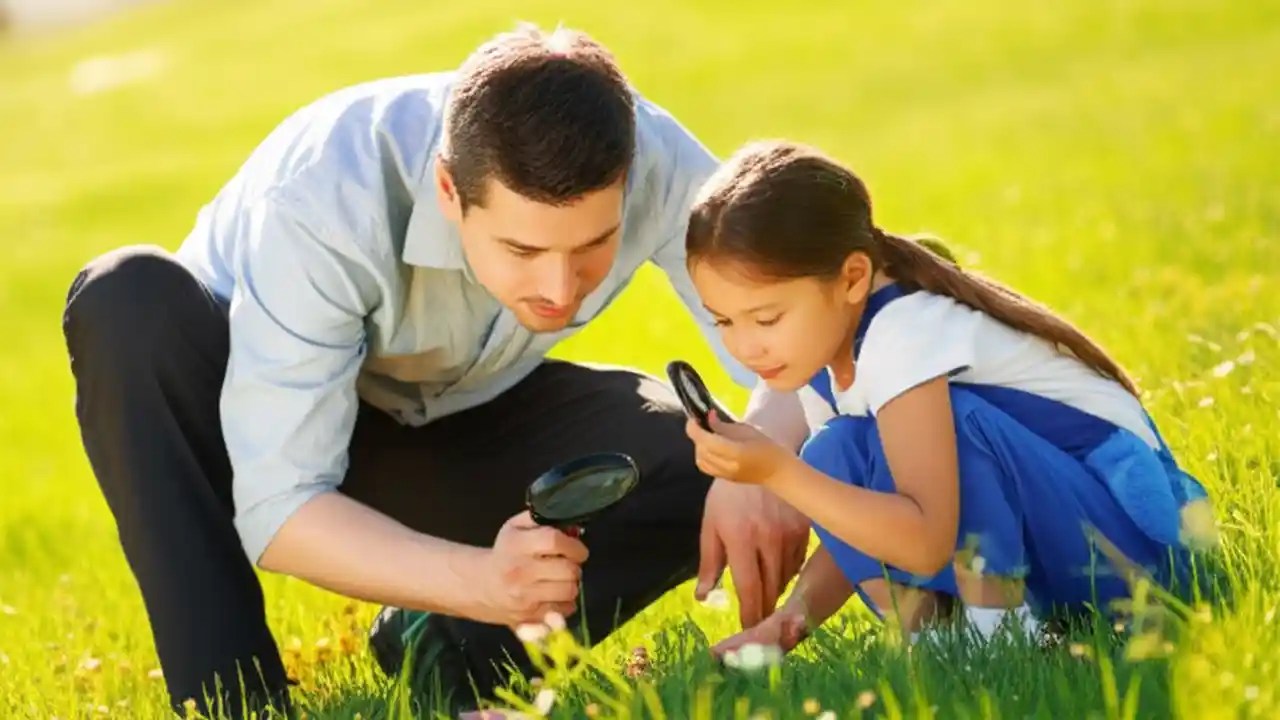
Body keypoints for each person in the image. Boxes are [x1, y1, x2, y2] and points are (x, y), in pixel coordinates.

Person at [59, 26, 814, 717]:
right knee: (127, 299)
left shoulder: (649, 153)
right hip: (253, 431)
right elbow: (280, 507)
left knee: (700, 456)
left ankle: (451, 652)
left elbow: (801, 326)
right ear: (452, 192)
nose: (561, 289)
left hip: (456, 420)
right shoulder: (329, 194)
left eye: (594, 246)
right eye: (522, 251)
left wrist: (763, 466)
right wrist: (483, 578)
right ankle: (236, 703)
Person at [675, 139, 1219, 655]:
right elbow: (854, 510)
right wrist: (787, 624)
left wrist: (777, 472)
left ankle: (1002, 635)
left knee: (948, 429)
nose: (745, 346)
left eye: (766, 318)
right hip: (1066, 545)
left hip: (1145, 556)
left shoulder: (903, 334)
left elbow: (925, 539)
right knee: (832, 453)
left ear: (853, 278)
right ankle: (938, 638)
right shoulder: (819, 357)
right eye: (723, 320)